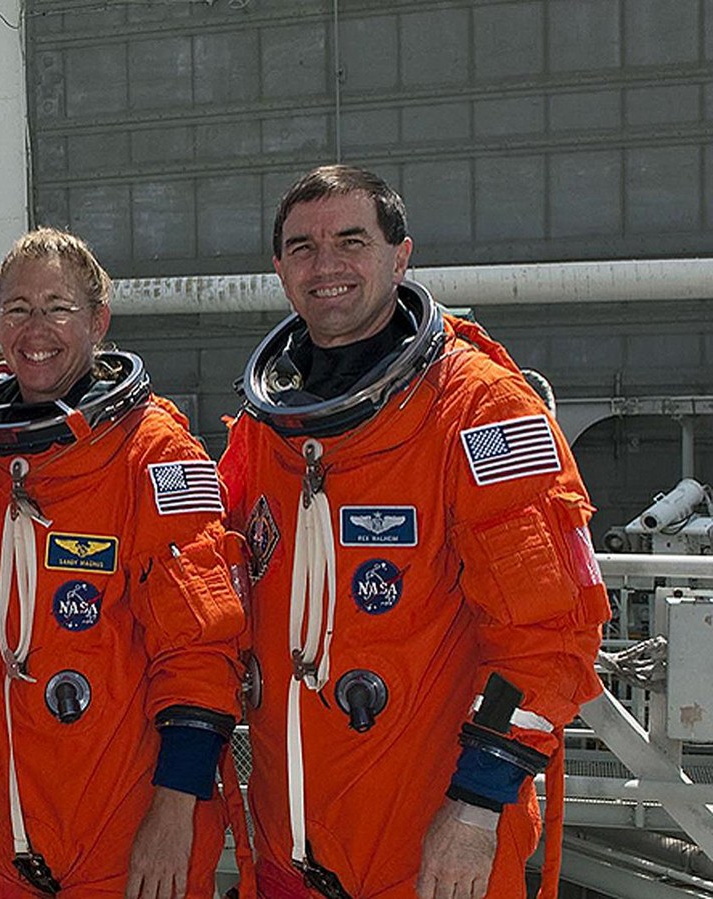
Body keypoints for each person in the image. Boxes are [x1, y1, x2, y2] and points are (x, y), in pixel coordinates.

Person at [218, 165, 609, 899]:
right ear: (279, 269)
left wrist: (476, 805)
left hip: (432, 857)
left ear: (401, 256)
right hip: (285, 852)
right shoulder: (265, 429)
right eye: (302, 247)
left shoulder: (481, 409)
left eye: (350, 240)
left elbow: (551, 631)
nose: (324, 264)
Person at [0, 227, 247, 898]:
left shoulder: (154, 454)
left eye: (58, 306)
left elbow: (201, 648)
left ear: (99, 319)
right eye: (17, 308)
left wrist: (174, 813)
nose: (35, 327)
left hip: (127, 838)